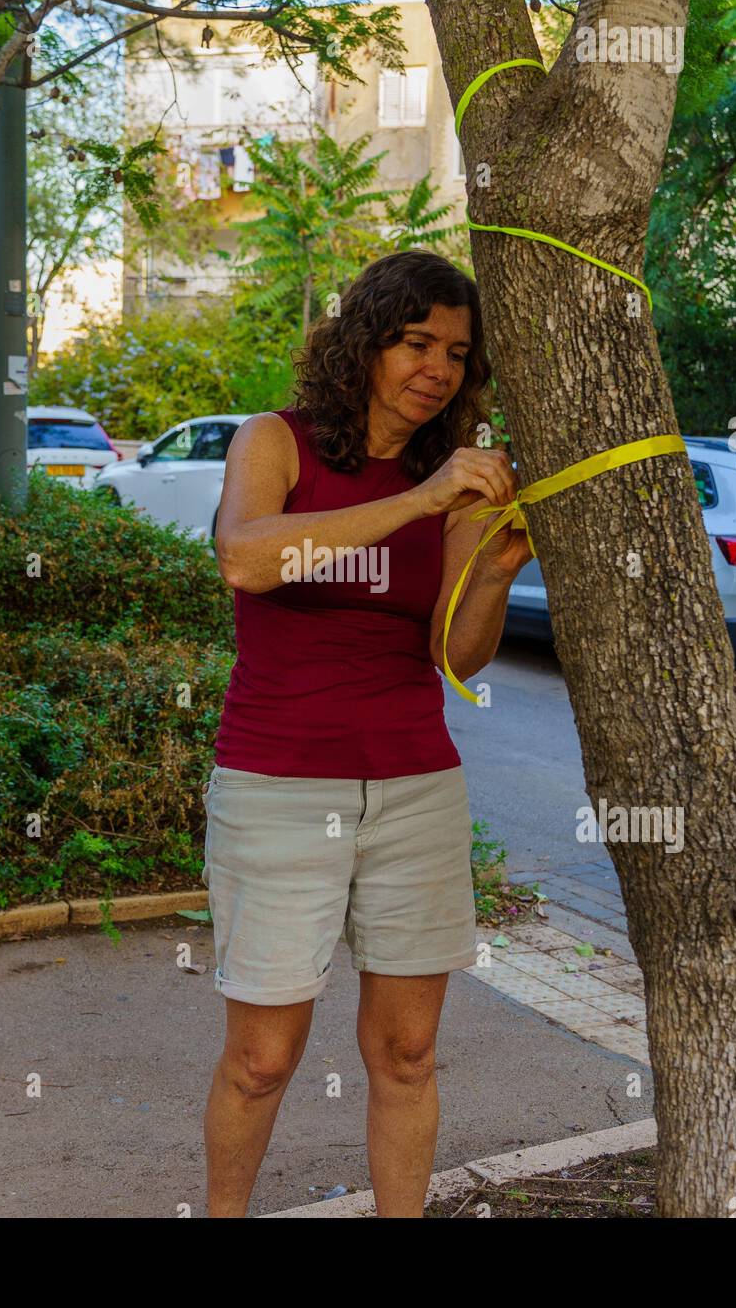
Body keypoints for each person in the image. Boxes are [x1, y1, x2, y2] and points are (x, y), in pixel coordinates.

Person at [200, 249, 536, 1217]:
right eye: (416, 341)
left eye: (456, 353)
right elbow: (247, 560)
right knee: (261, 1059)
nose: (436, 367)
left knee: (406, 1051)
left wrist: (497, 565)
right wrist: (419, 502)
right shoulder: (279, 442)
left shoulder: (459, 482)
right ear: (364, 343)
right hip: (277, 780)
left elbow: (456, 655)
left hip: (412, 784)